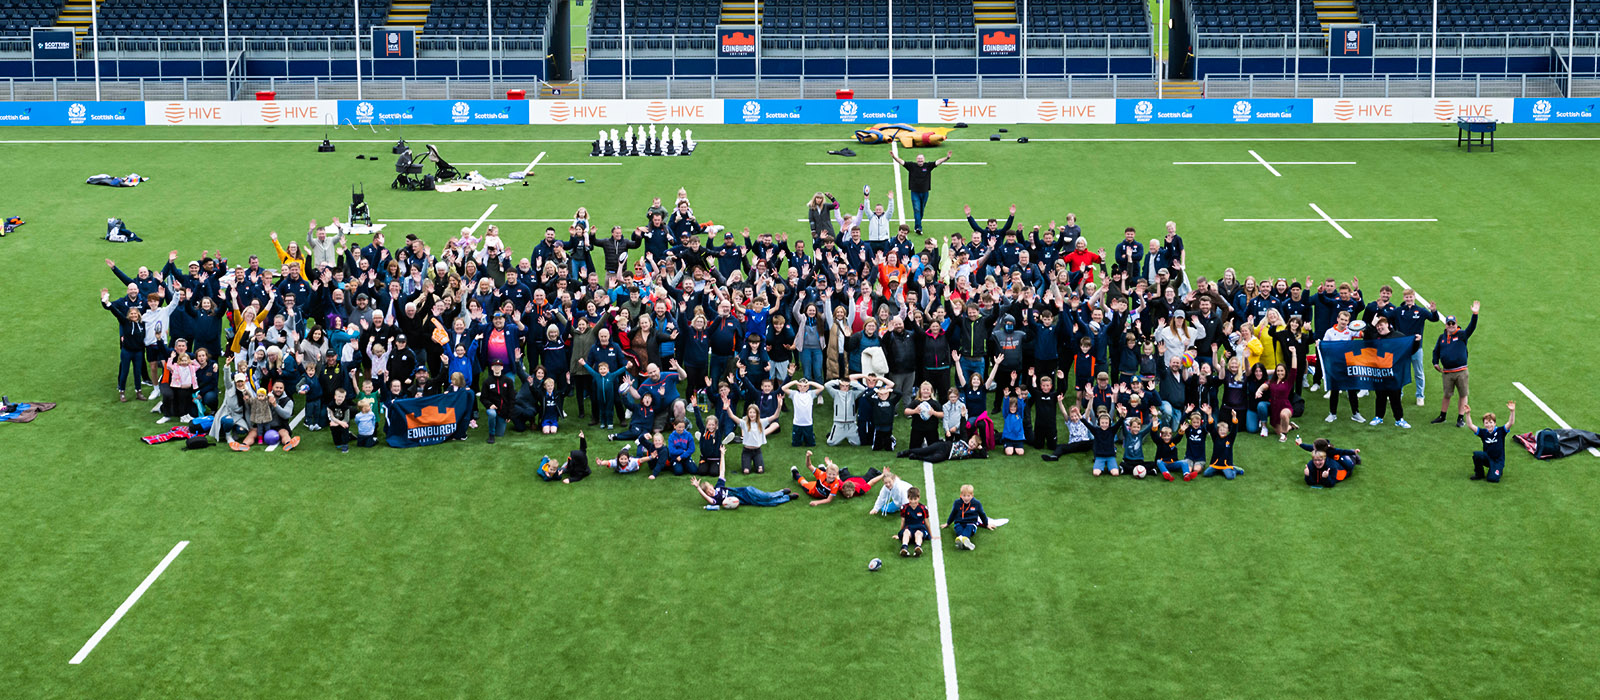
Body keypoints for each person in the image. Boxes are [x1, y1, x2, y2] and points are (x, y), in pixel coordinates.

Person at [693, 446, 796, 509]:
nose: (711, 492)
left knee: (766, 497)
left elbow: (722, 471)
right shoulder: (715, 500)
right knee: (769, 504)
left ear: (712, 486)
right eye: (708, 493)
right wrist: (698, 488)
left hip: (747, 491)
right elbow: (707, 499)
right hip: (748, 500)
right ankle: (788, 497)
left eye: (710, 489)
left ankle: (781, 492)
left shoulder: (719, 487)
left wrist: (722, 454)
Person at [1431, 301, 1479, 428]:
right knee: (1447, 394)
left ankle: (1460, 418)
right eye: (1449, 323)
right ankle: (1442, 416)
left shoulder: (1462, 334)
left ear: (1456, 324)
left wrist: (1475, 314)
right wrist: (1435, 362)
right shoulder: (1441, 337)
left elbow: (1472, 327)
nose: (1451, 325)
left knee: (1463, 394)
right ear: (1446, 325)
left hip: (1461, 371)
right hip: (1447, 372)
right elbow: (1436, 351)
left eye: (1453, 323)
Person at [890, 149, 952, 234]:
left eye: (921, 159)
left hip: (925, 192)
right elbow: (902, 162)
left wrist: (947, 158)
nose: (920, 160)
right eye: (919, 159)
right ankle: (918, 227)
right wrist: (894, 157)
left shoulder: (928, 166)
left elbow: (938, 162)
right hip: (915, 192)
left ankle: (918, 224)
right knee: (917, 209)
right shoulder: (911, 166)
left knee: (921, 210)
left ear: (924, 159)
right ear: (916, 159)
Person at [1468, 401, 1515, 483]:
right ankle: (1479, 474)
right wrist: (1468, 413)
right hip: (1488, 458)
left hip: (1498, 461)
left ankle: (1498, 470)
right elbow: (1470, 425)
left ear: (1495, 423)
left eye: (1491, 422)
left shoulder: (1501, 431)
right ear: (1484, 424)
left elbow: (1510, 423)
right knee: (1477, 455)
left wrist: (1512, 411)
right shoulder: (1483, 432)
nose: (1489, 425)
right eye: (1486, 423)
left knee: (1492, 479)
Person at [943, 484, 995, 552]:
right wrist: (948, 523)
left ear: (972, 495)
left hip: (971, 523)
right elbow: (953, 514)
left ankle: (962, 540)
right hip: (959, 523)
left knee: (968, 528)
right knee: (958, 529)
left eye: (968, 496)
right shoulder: (957, 503)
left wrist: (986, 524)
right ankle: (964, 542)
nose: (966, 498)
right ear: (961, 495)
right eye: (964, 496)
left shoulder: (977, 503)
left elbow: (982, 514)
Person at [735, 403, 780, 474]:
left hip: (757, 451)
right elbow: (732, 416)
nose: (752, 414)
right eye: (750, 412)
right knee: (746, 471)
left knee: (760, 471)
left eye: (754, 412)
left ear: (757, 414)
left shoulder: (762, 422)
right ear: (748, 413)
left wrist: (779, 405)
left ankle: (757, 463)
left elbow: (775, 416)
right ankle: (747, 464)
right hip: (747, 451)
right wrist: (727, 408)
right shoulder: (744, 423)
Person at [1199, 404, 1241, 479]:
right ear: (1218, 431)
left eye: (1224, 430)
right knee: (1206, 474)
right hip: (1215, 464)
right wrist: (1209, 414)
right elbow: (1211, 427)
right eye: (1221, 430)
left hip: (1226, 465)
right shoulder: (1215, 437)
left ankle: (1234, 469)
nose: (1222, 431)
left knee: (1230, 477)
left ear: (1227, 430)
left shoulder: (1230, 438)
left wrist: (1234, 417)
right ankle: (1219, 471)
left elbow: (1234, 429)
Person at [783, 378, 824, 446]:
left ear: (808, 387)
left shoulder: (811, 394)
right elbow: (783, 388)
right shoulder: (794, 394)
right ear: (797, 386)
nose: (802, 388)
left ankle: (808, 436)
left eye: (805, 386)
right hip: (797, 423)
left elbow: (821, 387)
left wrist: (810, 383)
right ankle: (801, 437)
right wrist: (794, 382)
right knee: (796, 444)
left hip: (808, 423)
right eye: (800, 386)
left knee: (810, 444)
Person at [897, 487, 931, 557]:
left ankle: (918, 547)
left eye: (915, 499)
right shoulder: (904, 508)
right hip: (909, 528)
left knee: (918, 533)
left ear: (919, 498)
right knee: (906, 532)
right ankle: (904, 548)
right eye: (911, 499)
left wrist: (930, 534)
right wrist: (900, 534)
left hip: (920, 528)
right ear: (908, 498)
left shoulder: (923, 508)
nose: (913, 501)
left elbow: (927, 522)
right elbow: (903, 521)